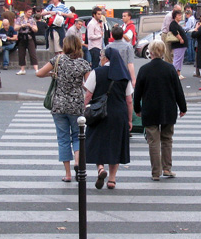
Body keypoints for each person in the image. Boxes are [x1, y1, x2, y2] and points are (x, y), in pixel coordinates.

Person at [35, 34, 91, 182]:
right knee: (78, 137)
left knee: (63, 139)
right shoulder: (83, 64)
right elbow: (90, 85)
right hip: (76, 105)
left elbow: (38, 73)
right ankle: (78, 163)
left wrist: (51, 74)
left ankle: (67, 174)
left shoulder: (57, 60)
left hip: (59, 105)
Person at [134, 39, 187, 181]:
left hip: (150, 110)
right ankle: (167, 168)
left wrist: (137, 109)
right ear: (163, 52)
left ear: (150, 52)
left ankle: (155, 172)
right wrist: (183, 107)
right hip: (167, 109)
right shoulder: (170, 69)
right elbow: (178, 91)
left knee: (153, 141)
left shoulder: (144, 70)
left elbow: (137, 92)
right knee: (167, 139)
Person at [84, 47, 133, 190]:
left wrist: (83, 111)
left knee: (98, 141)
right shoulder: (124, 75)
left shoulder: (96, 73)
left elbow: (88, 95)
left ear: (106, 58)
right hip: (119, 114)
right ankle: (112, 179)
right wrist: (129, 120)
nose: (100, 58)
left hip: (99, 113)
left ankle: (100, 168)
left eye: (101, 56)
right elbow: (129, 100)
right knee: (115, 145)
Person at [15, 7, 39, 75]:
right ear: (25, 12)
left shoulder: (32, 20)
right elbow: (15, 28)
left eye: (31, 12)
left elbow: (36, 29)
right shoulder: (19, 19)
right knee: (21, 53)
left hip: (29, 37)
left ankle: (36, 69)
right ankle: (22, 69)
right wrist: (21, 26)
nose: (30, 14)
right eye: (29, 12)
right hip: (21, 37)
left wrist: (30, 26)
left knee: (32, 53)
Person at [168, 8, 187, 78]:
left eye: (181, 15)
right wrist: (180, 38)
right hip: (178, 44)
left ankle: (178, 73)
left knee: (180, 59)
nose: (180, 17)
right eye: (179, 15)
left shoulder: (177, 24)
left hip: (181, 45)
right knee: (177, 59)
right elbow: (174, 32)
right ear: (175, 16)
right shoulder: (173, 24)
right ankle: (173, 74)